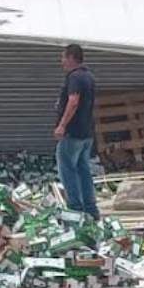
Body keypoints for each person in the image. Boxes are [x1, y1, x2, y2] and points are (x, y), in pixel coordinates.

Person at [53, 43, 99, 220]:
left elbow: (73, 101)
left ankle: (76, 211)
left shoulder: (74, 77)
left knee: (68, 170)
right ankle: (91, 210)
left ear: (71, 57)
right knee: (83, 170)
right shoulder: (88, 76)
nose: (62, 61)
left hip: (72, 133)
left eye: (63, 57)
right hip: (86, 133)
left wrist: (62, 125)